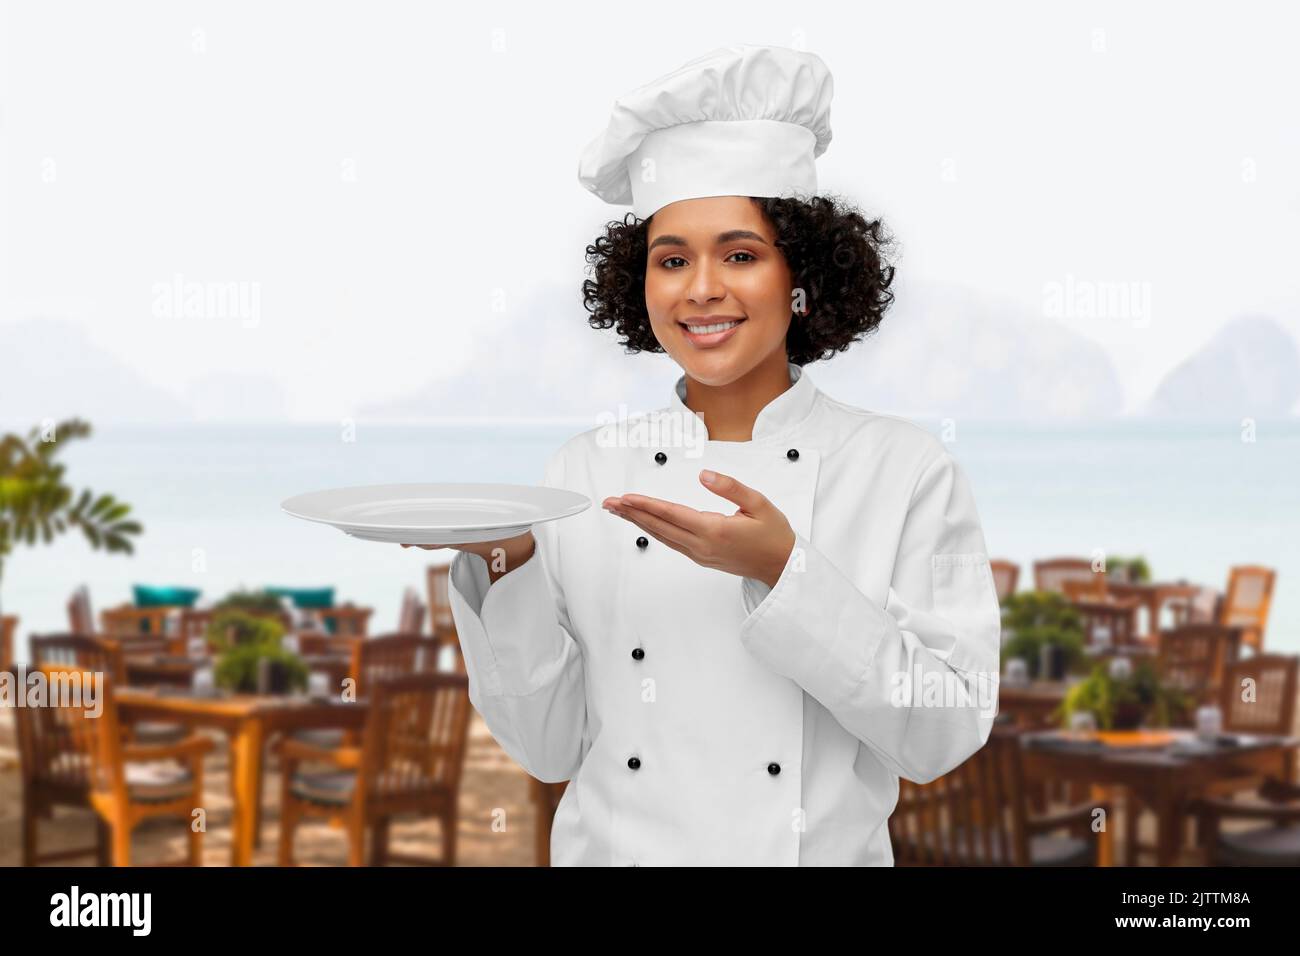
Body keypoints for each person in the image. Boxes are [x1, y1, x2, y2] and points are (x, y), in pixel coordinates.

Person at [403, 45, 1001, 866]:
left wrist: (788, 572)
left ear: (803, 277)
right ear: (637, 284)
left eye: (741, 255)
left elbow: (944, 732)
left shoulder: (903, 470)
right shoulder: (584, 472)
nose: (701, 288)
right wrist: (507, 566)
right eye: (672, 259)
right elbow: (548, 750)